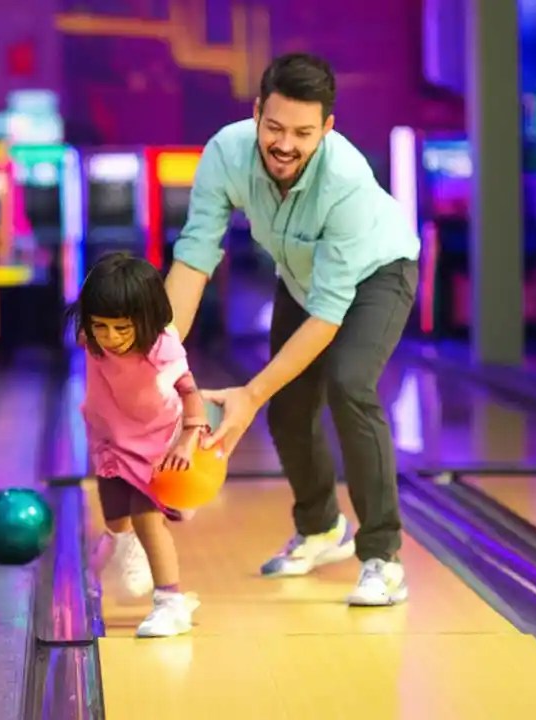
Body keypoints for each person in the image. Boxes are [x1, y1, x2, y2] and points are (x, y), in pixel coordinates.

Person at [165, 53, 420, 606]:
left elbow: (330, 316)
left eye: (303, 133)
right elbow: (193, 258)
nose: (285, 144)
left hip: (379, 273)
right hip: (305, 278)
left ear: (327, 128)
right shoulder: (226, 153)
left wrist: (248, 394)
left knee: (350, 384)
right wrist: (161, 364)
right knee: (288, 407)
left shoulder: (346, 180)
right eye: (274, 127)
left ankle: (381, 554)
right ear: (257, 112)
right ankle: (321, 527)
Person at [71, 253, 208, 637]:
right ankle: (112, 557)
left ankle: (170, 601)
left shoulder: (162, 349)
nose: (110, 337)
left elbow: (191, 394)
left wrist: (187, 441)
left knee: (148, 518)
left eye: (121, 328)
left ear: (146, 321)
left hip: (157, 444)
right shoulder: (93, 340)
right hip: (110, 440)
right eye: (101, 326)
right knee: (115, 520)